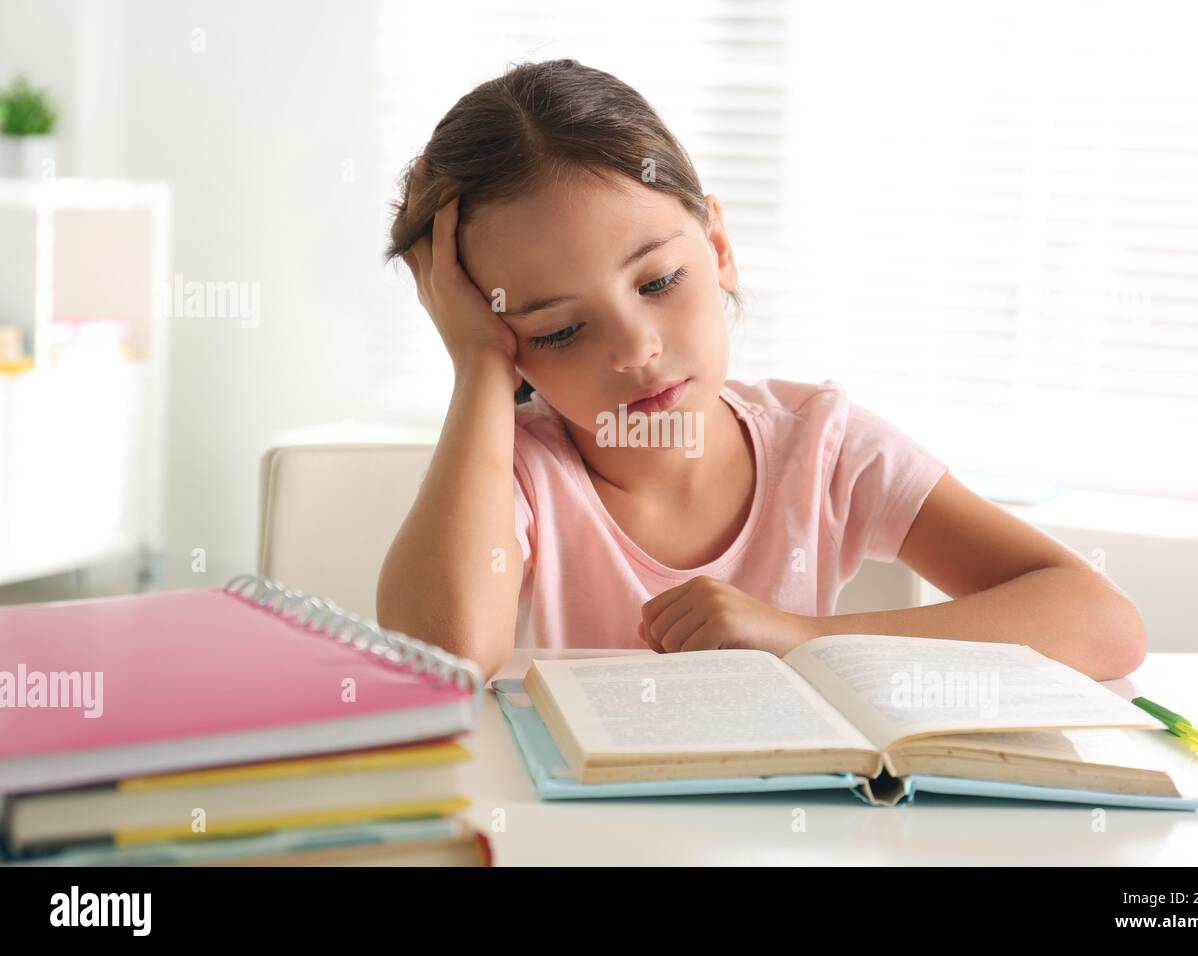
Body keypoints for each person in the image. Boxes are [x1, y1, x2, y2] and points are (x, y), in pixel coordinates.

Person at [377, 58, 1145, 682]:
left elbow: (1104, 623)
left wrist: (805, 637)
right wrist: (477, 365)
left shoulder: (821, 445)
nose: (635, 348)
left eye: (658, 283)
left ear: (717, 249)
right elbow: (444, 655)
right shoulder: (519, 473)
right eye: (563, 328)